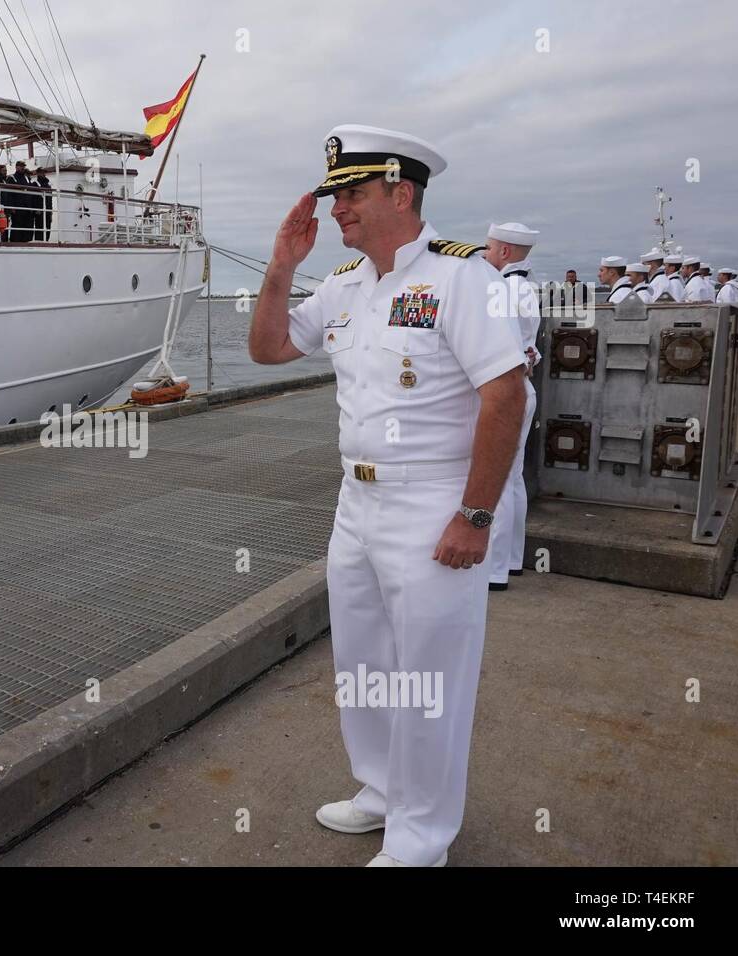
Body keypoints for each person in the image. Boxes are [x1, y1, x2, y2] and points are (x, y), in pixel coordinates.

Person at [248, 124, 526, 867]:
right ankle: (379, 791)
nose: (337, 208)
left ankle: (422, 837)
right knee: (363, 664)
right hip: (356, 505)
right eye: (335, 194)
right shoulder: (343, 284)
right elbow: (269, 348)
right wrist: (281, 265)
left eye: (352, 194)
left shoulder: (466, 278)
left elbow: (507, 397)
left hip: (435, 502)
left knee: (430, 679)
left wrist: (476, 515)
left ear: (401, 194)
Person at [483, 222, 540, 590]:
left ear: (504, 252)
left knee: (497, 478)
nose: (485, 255)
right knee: (513, 478)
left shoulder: (501, 290)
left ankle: (494, 570)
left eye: (488, 248)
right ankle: (513, 560)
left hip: (505, 393)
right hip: (524, 387)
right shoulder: (527, 288)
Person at [8, 160, 36, 242]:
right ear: (16, 167)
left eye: (23, 166)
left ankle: (26, 243)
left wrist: (32, 207)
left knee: (28, 227)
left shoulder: (27, 179)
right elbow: (9, 194)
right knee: (17, 227)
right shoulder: (12, 178)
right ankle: (15, 243)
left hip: (27, 208)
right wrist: (11, 206)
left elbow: (31, 192)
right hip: (17, 207)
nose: (22, 167)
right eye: (20, 166)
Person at [34, 168, 53, 241]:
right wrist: (36, 209)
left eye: (44, 172)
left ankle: (46, 241)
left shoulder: (48, 185)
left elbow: (50, 199)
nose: (44, 174)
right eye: (42, 172)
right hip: (39, 211)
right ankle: (39, 243)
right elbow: (33, 198)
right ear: (38, 173)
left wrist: (51, 212)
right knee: (39, 228)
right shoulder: (35, 184)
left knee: (48, 228)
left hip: (47, 210)